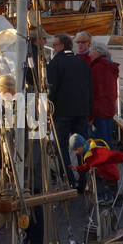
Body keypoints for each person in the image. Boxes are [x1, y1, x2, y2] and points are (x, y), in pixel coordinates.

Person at [45, 32, 93, 171]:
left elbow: (52, 88)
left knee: (62, 147)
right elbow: (90, 88)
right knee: (82, 147)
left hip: (62, 112)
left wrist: (49, 108)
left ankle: (69, 180)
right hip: (81, 111)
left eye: (55, 45)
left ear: (62, 45)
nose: (53, 48)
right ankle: (84, 179)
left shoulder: (55, 63)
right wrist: (89, 110)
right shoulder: (82, 62)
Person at [75, 32, 119, 148]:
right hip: (108, 109)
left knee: (98, 142)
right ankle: (108, 164)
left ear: (97, 52)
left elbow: (95, 93)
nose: (89, 53)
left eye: (91, 51)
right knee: (106, 140)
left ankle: (102, 165)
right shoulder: (108, 66)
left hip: (99, 111)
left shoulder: (97, 68)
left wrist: (91, 116)